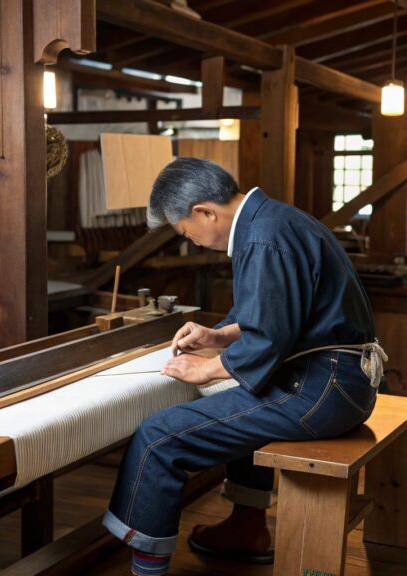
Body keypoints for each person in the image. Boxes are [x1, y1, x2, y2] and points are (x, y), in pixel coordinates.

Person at [102, 157, 387, 576]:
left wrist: (208, 369)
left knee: (158, 436)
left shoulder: (263, 238)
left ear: (204, 211)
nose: (193, 241)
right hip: (340, 381)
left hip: (324, 389)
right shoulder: (274, 221)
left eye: (186, 232)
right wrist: (218, 338)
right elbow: (281, 315)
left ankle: (147, 569)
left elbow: (269, 339)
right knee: (242, 399)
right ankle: (246, 528)